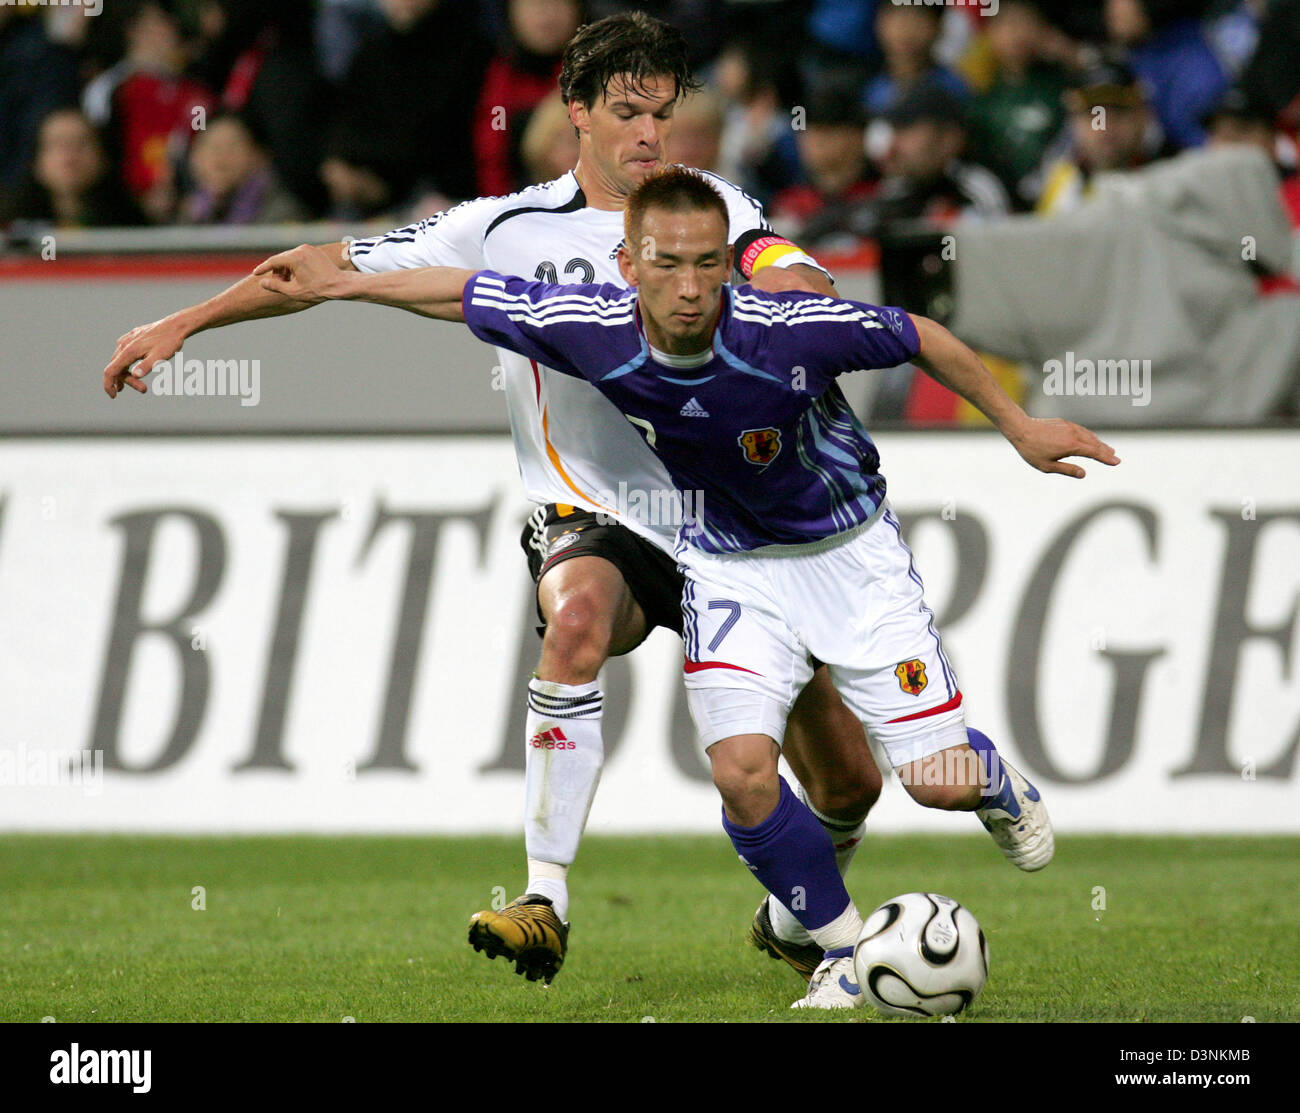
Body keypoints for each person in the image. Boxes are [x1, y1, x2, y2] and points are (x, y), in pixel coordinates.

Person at [100, 12, 1042, 997]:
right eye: (628, 113)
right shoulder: (504, 229)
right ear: (576, 112)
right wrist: (187, 321)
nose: (648, 135)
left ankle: (800, 914)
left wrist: (797, 288)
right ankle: (545, 896)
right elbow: (319, 270)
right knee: (574, 620)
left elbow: (784, 274)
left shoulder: (706, 208)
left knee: (846, 782)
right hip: (596, 517)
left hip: (737, 528)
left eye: (662, 115)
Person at [244, 166, 1119, 1008]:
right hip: (727, 564)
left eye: (708, 262)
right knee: (743, 775)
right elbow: (462, 291)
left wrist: (1017, 424)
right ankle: (849, 956)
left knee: (934, 779)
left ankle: (993, 780)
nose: (691, 286)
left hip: (849, 562)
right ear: (630, 266)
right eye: (667, 263)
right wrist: (341, 281)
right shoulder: (594, 326)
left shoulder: (787, 330)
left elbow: (913, 334)